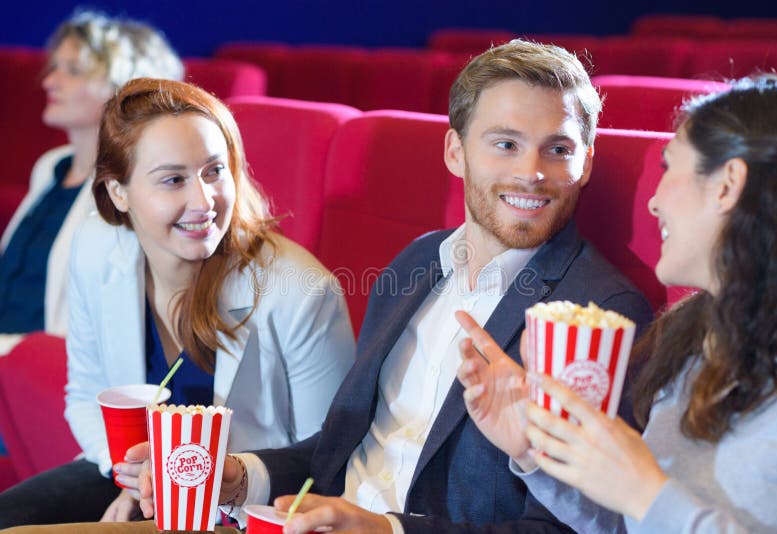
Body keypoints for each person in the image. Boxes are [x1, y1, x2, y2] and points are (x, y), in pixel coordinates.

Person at [3, 39, 651, 533]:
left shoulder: (599, 317)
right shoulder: (417, 264)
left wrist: (386, 529)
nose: (532, 172)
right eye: (505, 144)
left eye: (558, 149)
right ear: (455, 152)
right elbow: (336, 445)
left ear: (587, 160)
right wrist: (240, 478)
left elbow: (569, 527)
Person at [0, 78, 355, 528]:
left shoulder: (301, 291)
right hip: (134, 475)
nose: (203, 201)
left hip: (248, 502)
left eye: (214, 171)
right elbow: (86, 395)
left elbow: (328, 460)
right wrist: (134, 478)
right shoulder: (94, 245)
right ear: (118, 192)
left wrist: (194, 484)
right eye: (173, 180)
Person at [455, 74, 777, 533]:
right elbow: (629, 525)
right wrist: (535, 451)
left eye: (670, 167)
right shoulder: (695, 339)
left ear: (726, 185)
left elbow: (647, 505)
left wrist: (646, 492)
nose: (654, 203)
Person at [0, 11, 183, 353]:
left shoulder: (128, 188)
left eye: (73, 70)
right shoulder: (51, 166)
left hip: (45, 363)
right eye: (54, 68)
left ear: (123, 88)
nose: (49, 82)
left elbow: (97, 327)